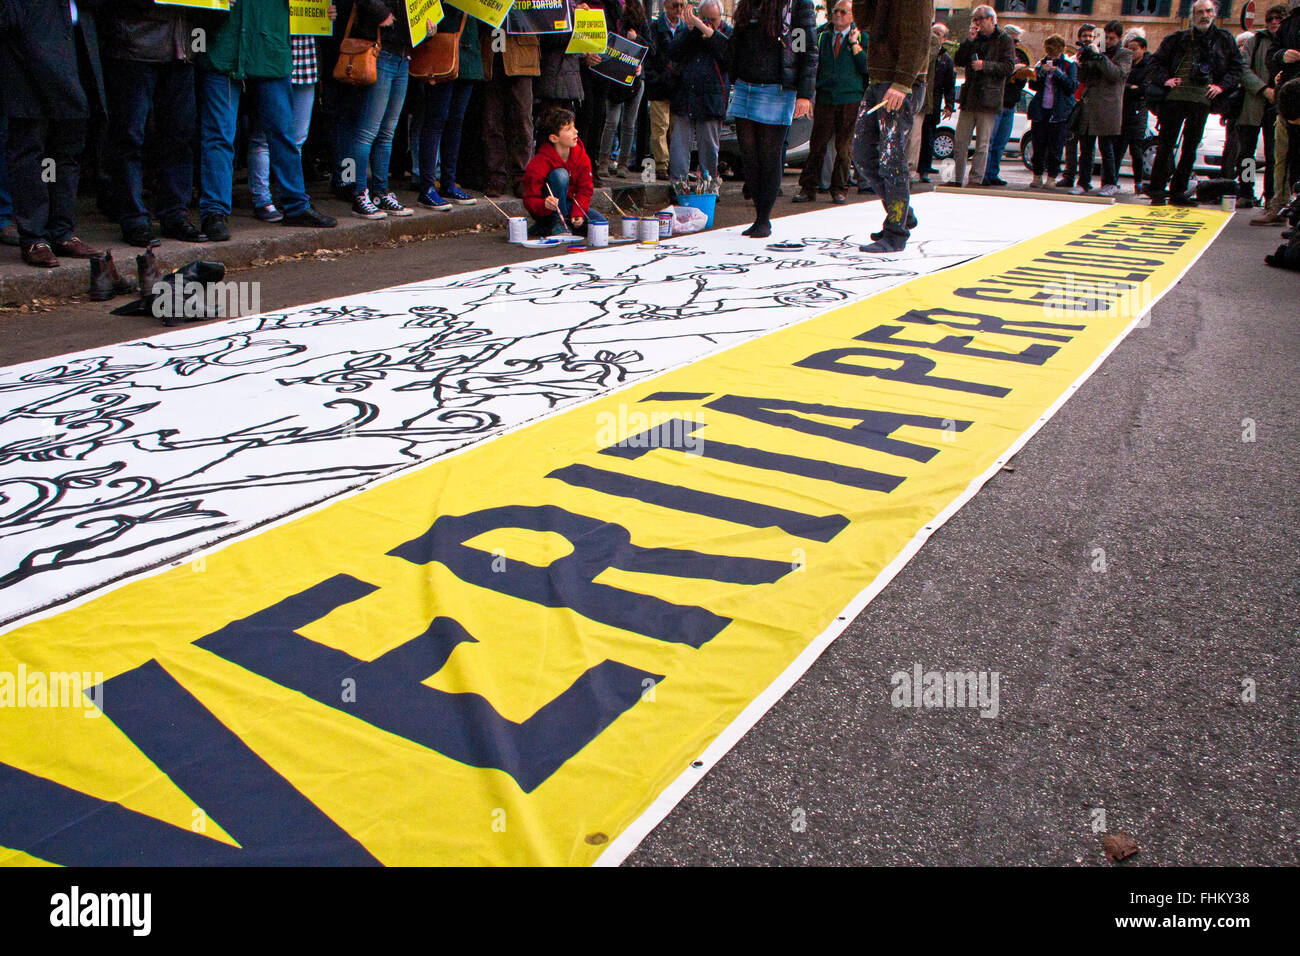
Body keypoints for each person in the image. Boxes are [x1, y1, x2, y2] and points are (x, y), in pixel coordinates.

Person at [197, 0, 336, 240]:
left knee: (278, 132)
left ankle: (292, 205)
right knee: (222, 135)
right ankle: (216, 211)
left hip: (254, 46)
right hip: (234, 46)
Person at [0, 0, 108, 267]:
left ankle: (63, 232)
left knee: (67, 153)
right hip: (28, 56)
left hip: (76, 49)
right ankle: (35, 238)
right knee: (29, 152)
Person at [99, 0, 204, 245]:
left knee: (180, 136)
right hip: (134, 47)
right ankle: (134, 219)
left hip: (181, 49)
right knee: (129, 138)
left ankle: (175, 214)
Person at [726, 0, 817, 238]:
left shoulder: (796, 5)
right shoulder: (749, 5)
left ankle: (763, 218)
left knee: (770, 156)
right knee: (749, 156)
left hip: (776, 88)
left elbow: (805, 50)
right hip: (745, 85)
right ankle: (759, 214)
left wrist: (804, 94)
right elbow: (738, 41)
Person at [851, 0, 931, 252]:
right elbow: (864, 22)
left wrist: (903, 81)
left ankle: (896, 232)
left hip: (900, 83)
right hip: (880, 79)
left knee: (891, 158)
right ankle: (902, 214)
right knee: (862, 153)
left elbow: (919, 35)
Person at [1146, 0, 1242, 206]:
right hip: (1174, 99)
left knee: (1190, 147)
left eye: (1208, 11)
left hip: (1202, 99)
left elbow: (1236, 69)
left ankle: (1178, 191)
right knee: (1166, 145)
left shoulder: (1224, 39)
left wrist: (1220, 86)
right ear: (1192, 15)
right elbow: (1155, 63)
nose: (1204, 15)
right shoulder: (1176, 39)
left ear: (1215, 13)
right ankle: (1157, 189)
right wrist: (1166, 80)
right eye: (1199, 12)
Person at [336, 0, 412, 220]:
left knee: (386, 131)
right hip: (380, 52)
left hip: (400, 55)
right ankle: (360, 194)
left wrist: (427, 27)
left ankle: (380, 191)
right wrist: (381, 13)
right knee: (369, 131)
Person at [795, 0, 866, 204]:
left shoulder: (861, 37)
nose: (838, 15)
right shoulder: (822, 37)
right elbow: (807, 59)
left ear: (852, 16)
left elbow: (865, 67)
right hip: (826, 97)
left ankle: (839, 188)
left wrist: (854, 44)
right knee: (817, 144)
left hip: (850, 98)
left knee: (844, 146)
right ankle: (808, 187)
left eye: (844, 12)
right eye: (835, 11)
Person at [415, 7, 484, 211]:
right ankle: (427, 186)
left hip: (467, 52)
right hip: (443, 46)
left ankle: (448, 183)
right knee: (436, 120)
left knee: (455, 122)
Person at [668, 0, 732, 183]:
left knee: (709, 147)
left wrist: (708, 33)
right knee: (679, 145)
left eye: (713, 19)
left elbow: (727, 57)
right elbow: (673, 52)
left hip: (711, 98)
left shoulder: (727, 33)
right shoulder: (689, 32)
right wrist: (692, 31)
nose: (709, 23)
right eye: (705, 19)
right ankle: (678, 185)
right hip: (686, 96)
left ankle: (710, 184)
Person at [952, 5, 1015, 188]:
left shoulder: (1004, 40)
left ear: (990, 19)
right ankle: (957, 179)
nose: (976, 23)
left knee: (982, 143)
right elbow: (959, 60)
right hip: (969, 97)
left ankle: (975, 179)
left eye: (979, 19)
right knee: (960, 141)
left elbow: (1008, 67)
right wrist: (968, 42)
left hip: (989, 98)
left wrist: (985, 66)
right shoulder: (975, 39)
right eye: (975, 20)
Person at [521, 106, 607, 235]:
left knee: (600, 225)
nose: (575, 131)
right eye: (568, 129)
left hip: (568, 205)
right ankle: (554, 222)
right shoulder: (540, 162)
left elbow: (585, 189)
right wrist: (544, 204)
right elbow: (529, 199)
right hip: (548, 210)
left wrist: (578, 213)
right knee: (560, 175)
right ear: (554, 138)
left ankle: (549, 227)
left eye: (574, 127)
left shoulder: (581, 156)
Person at [1226, 12, 1282, 207]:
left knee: (1274, 154)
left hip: (1278, 106)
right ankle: (1246, 191)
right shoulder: (1254, 41)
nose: (1274, 22)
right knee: (1247, 154)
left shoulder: (1290, 42)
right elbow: (1242, 69)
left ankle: (1272, 195)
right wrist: (1263, 89)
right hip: (1253, 104)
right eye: (1270, 19)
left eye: (1279, 18)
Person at [1073, 19, 1131, 196]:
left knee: (1107, 149)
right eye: (1106, 37)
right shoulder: (1096, 50)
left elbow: (1117, 74)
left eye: (1112, 38)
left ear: (1119, 38)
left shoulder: (1124, 54)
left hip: (1108, 107)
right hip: (1090, 105)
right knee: (1086, 149)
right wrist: (1082, 61)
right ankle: (1083, 182)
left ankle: (1110, 182)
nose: (1109, 41)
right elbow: (1083, 77)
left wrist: (1100, 56)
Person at [1253, 1, 1298, 224]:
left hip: (1283, 97)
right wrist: (1281, 57)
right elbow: (1269, 58)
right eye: (1269, 19)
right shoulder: (1284, 26)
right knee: (1270, 156)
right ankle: (1253, 193)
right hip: (1279, 102)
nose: (1272, 23)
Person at [481, 27, 539, 199]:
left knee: (522, 119)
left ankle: (521, 176)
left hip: (521, 49)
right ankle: (495, 176)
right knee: (491, 120)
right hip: (493, 47)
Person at [597, 0, 650, 179]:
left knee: (629, 124)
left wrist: (638, 43)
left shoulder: (639, 18)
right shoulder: (610, 12)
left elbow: (651, 48)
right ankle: (603, 161)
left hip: (634, 79)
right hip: (613, 77)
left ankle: (623, 164)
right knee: (611, 121)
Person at [982, 23, 1031, 187]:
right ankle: (983, 173)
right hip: (996, 102)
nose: (1016, 44)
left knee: (1001, 143)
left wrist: (1021, 74)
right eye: (1014, 41)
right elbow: (991, 74)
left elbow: (1020, 84)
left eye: (1018, 41)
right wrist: (1012, 70)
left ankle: (993, 173)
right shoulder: (995, 52)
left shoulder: (1021, 56)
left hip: (1010, 103)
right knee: (990, 140)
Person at [1027, 34, 1078, 189]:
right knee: (1038, 145)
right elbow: (1032, 86)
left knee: (1055, 147)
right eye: (1049, 52)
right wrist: (1041, 73)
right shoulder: (1040, 63)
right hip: (1041, 110)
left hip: (1059, 112)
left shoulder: (1069, 65)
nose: (1051, 56)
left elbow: (1072, 87)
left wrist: (1058, 73)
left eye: (1054, 53)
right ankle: (1037, 176)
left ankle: (1051, 177)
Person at [645, 0, 689, 180]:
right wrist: (656, 77)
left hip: (677, 86)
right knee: (659, 127)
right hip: (659, 85)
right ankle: (662, 164)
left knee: (675, 128)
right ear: (665, 6)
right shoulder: (655, 27)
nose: (678, 9)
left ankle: (673, 164)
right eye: (674, 5)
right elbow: (650, 56)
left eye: (681, 5)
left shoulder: (685, 29)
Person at [916, 22, 955, 183]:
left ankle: (924, 169)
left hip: (933, 103)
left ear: (944, 38)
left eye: (939, 34)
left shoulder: (946, 60)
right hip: (918, 102)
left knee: (928, 138)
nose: (935, 37)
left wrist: (949, 105)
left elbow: (949, 85)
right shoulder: (921, 54)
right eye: (933, 32)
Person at [1057, 22, 1094, 188]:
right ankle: (1068, 175)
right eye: (1084, 36)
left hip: (1090, 105)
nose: (1087, 39)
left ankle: (1085, 180)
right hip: (1074, 104)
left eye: (1090, 36)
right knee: (1070, 142)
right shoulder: (1073, 59)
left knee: (1087, 146)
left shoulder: (1098, 57)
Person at [1120, 32, 1150, 194]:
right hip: (1124, 111)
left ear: (1143, 49)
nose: (1131, 52)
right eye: (1129, 48)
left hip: (1138, 113)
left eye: (1135, 49)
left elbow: (1144, 89)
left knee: (1136, 150)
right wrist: (1130, 87)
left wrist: (1131, 88)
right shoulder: (1127, 64)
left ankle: (1138, 181)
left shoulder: (1147, 66)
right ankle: (1112, 180)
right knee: (1118, 148)